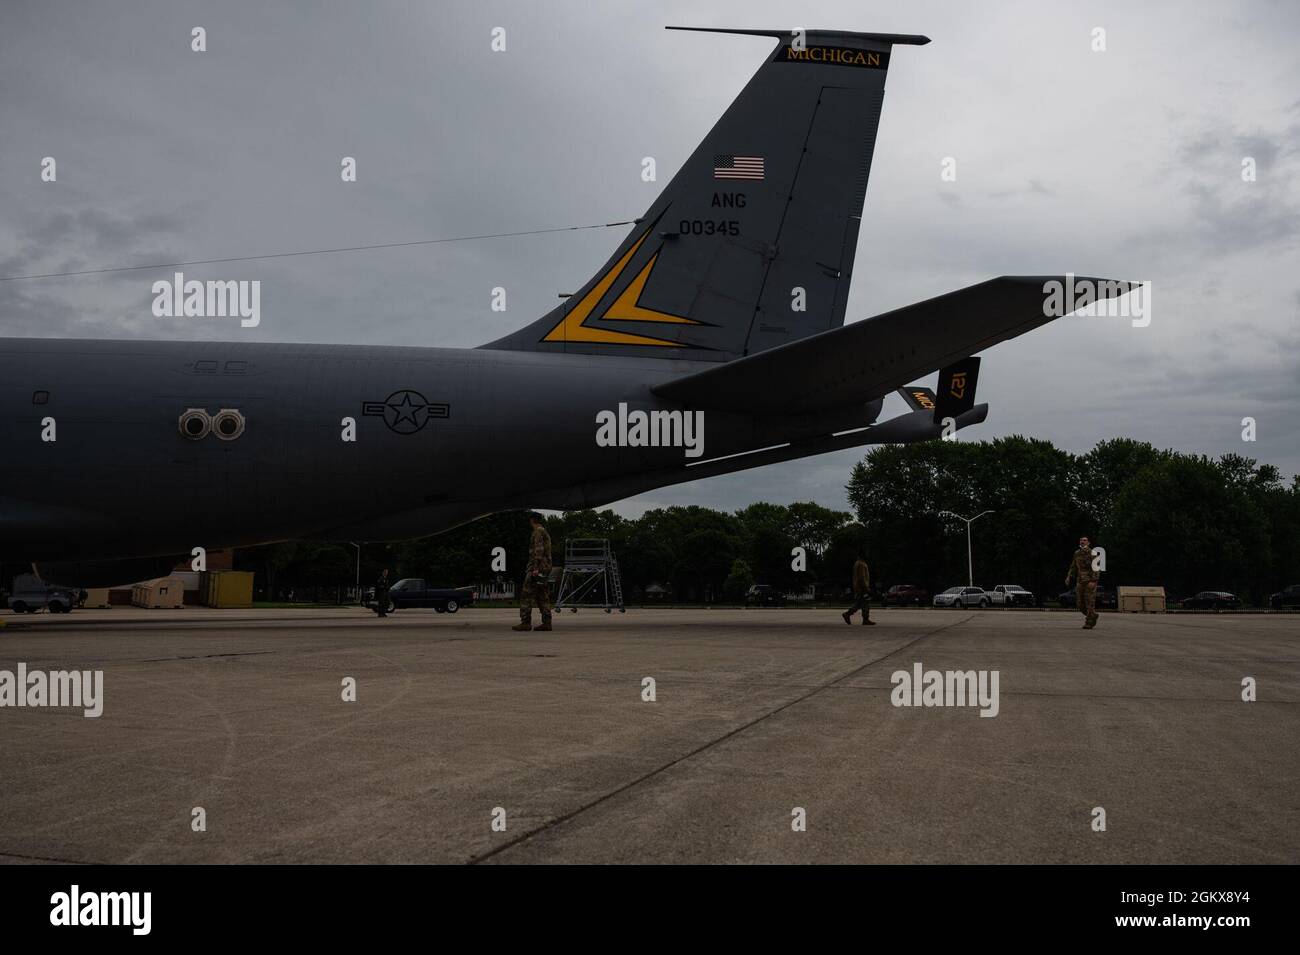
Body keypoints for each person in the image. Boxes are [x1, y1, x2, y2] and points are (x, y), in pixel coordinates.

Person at [513, 513, 553, 632]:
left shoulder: (537, 532)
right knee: (542, 595)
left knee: (526, 594)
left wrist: (535, 568)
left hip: (537, 568)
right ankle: (547, 622)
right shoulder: (544, 531)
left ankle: (525, 622)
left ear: (532, 520)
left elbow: (538, 550)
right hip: (545, 567)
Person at [1065, 536, 1099, 629]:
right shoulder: (1077, 553)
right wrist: (1069, 577)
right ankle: (1093, 615)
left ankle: (1089, 622)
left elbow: (1096, 568)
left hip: (1089, 581)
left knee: (1089, 602)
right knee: (1080, 604)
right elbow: (1073, 566)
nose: (1082, 541)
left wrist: (1093, 581)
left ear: (1088, 543)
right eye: (1081, 540)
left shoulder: (1092, 553)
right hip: (1080, 581)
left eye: (1084, 540)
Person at [842, 553, 876, 625]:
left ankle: (849, 614)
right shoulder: (862, 564)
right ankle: (862, 618)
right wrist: (866, 588)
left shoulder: (857, 563)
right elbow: (861, 577)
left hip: (858, 587)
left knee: (860, 603)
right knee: (865, 602)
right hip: (862, 587)